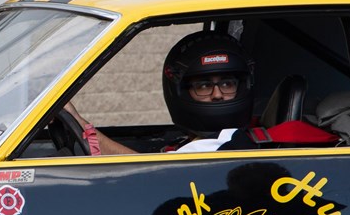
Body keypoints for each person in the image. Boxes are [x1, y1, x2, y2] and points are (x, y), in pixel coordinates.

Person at [71, 30, 335, 155]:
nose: (218, 94)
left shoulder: (223, 146)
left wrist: (80, 123)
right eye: (204, 86)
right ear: (181, 90)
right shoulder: (207, 140)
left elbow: (137, 166)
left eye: (227, 84)